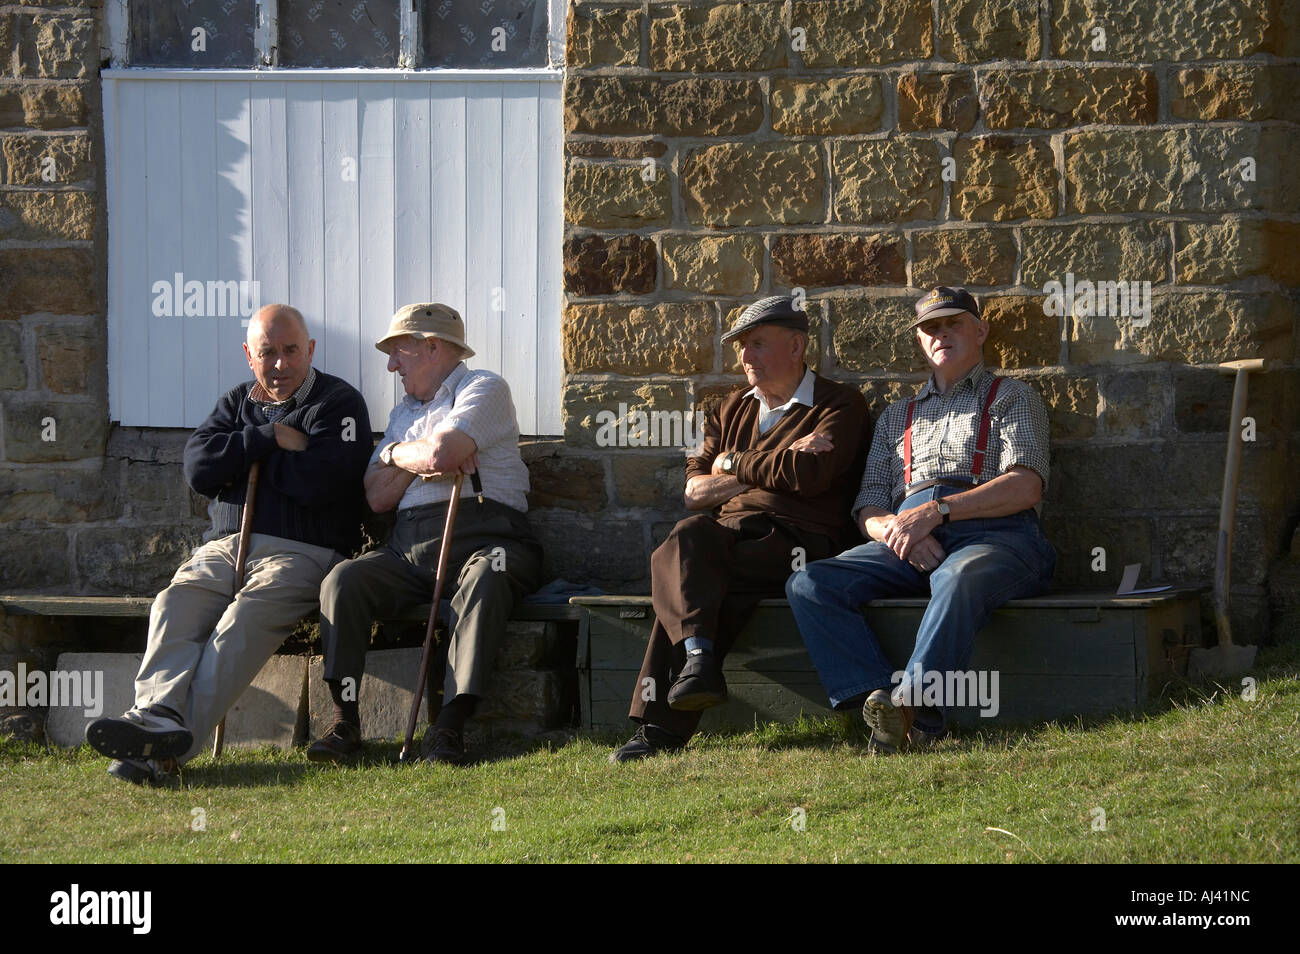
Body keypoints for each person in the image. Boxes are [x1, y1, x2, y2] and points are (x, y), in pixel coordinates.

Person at [86, 305, 373, 783]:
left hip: (301, 551)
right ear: (248, 355)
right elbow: (199, 468)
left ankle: (162, 750)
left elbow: (323, 482)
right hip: (226, 544)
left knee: (241, 624)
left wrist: (239, 460)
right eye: (267, 353)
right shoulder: (237, 401)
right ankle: (155, 716)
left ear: (311, 350)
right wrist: (270, 436)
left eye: (291, 351)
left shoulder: (339, 403)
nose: (280, 364)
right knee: (174, 601)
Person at [786, 286, 1056, 753]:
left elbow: (1025, 487)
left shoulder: (1013, 397)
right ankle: (876, 699)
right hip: (907, 542)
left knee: (960, 575)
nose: (942, 334)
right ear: (920, 340)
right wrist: (897, 533)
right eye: (931, 328)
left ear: (980, 331)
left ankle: (916, 708)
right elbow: (868, 505)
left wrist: (937, 512)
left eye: (954, 324)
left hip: (998, 537)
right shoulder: (897, 416)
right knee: (810, 581)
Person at [610, 295, 870, 762]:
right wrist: (772, 463)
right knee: (688, 543)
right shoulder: (727, 410)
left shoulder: (840, 405)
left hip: (797, 539)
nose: (746, 357)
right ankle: (699, 663)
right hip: (729, 537)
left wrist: (731, 464)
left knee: (688, 570)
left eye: (757, 345)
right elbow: (692, 490)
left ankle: (665, 719)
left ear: (795, 346)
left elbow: (808, 478)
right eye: (741, 347)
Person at [306, 303, 542, 766]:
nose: (392, 365)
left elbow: (442, 453)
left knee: (485, 578)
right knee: (344, 581)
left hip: (488, 538)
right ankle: (345, 720)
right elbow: (376, 496)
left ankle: (450, 727)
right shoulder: (401, 415)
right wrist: (402, 453)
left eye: (399, 353)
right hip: (410, 551)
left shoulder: (484, 388)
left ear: (433, 348)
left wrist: (422, 459)